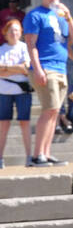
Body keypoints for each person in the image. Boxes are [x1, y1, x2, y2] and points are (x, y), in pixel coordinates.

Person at [23, 0, 73, 167]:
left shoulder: (61, 16)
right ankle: (37, 155)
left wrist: (69, 17)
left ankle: (46, 154)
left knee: (55, 112)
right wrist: (38, 68)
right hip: (46, 67)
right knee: (49, 110)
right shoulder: (35, 15)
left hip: (61, 68)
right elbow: (31, 44)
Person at [0, 17, 33, 168]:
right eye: (11, 30)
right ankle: (0, 158)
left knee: (25, 122)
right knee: (3, 124)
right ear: (5, 33)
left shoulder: (25, 48)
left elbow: (26, 69)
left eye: (17, 30)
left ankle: (29, 156)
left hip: (22, 91)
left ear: (21, 32)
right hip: (3, 91)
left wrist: (6, 68)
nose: (14, 33)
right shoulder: (1, 49)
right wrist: (16, 68)